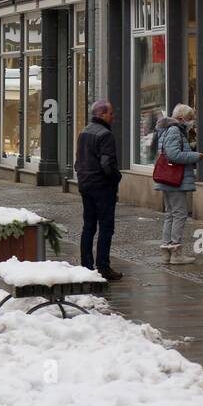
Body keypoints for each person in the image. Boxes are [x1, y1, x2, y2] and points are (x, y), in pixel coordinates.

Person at [74, 99, 123, 281]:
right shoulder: (105, 134)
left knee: (89, 226)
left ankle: (86, 265)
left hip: (85, 184)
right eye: (110, 113)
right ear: (101, 115)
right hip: (102, 186)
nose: (113, 116)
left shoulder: (84, 132)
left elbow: (78, 159)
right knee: (106, 227)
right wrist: (116, 177)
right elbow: (106, 163)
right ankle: (103, 266)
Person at [153, 104, 202, 265]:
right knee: (180, 214)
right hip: (175, 181)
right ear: (181, 119)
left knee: (171, 214)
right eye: (189, 119)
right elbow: (174, 155)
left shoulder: (168, 129)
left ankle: (166, 252)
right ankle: (176, 252)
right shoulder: (175, 130)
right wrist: (194, 155)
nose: (191, 123)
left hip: (168, 180)